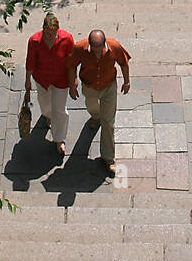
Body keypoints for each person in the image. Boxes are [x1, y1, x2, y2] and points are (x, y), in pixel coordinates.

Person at [68, 29, 131, 174]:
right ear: (89, 44)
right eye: (94, 49)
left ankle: (108, 158)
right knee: (92, 108)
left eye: (99, 49)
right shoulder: (79, 48)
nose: (97, 53)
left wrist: (126, 82)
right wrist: (73, 84)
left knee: (108, 122)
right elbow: (71, 65)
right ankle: (95, 116)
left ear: (104, 43)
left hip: (108, 86)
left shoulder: (114, 46)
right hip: (89, 86)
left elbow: (124, 63)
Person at [25, 13, 75, 156]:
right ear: (43, 29)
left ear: (58, 31)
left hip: (61, 80)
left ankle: (59, 139)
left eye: (52, 34)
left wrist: (73, 82)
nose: (49, 37)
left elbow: (71, 62)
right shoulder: (34, 41)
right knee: (45, 104)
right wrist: (27, 81)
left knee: (59, 110)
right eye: (47, 33)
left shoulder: (67, 39)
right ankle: (48, 116)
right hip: (42, 80)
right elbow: (30, 62)